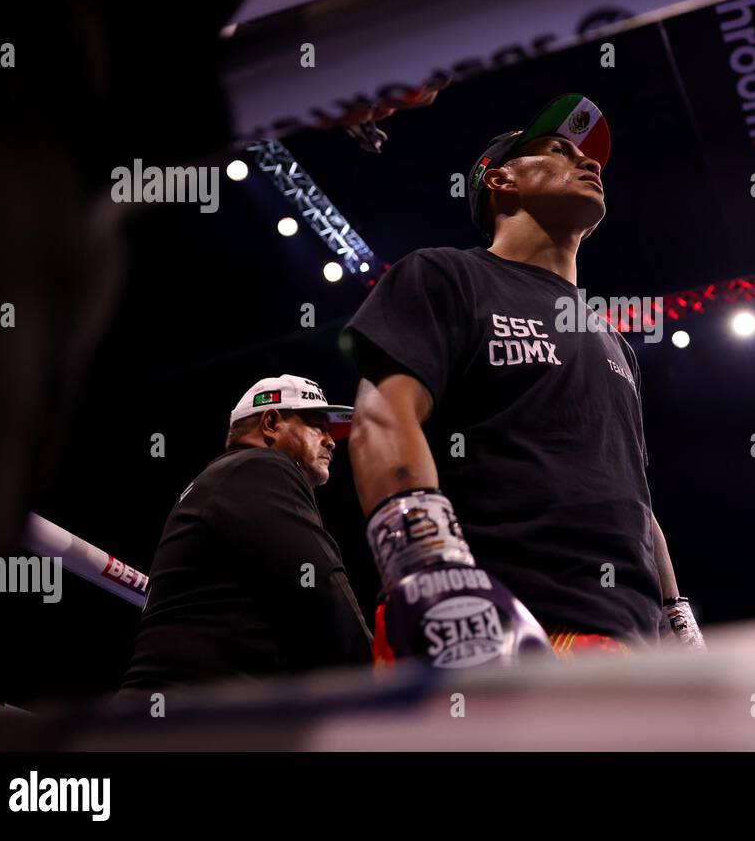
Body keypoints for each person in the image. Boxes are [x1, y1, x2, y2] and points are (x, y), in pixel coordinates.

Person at [344, 94, 704, 663]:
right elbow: (382, 417)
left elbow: (636, 496)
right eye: (558, 151)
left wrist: (676, 616)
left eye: (589, 160)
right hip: (504, 620)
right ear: (501, 181)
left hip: (630, 642)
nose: (587, 163)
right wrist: (429, 567)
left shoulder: (614, 341)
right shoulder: (445, 274)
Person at [120, 375, 372, 691]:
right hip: (189, 722)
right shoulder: (260, 467)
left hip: (174, 715)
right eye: (317, 426)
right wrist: (381, 679)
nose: (331, 441)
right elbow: (323, 587)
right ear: (271, 423)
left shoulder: (224, 479)